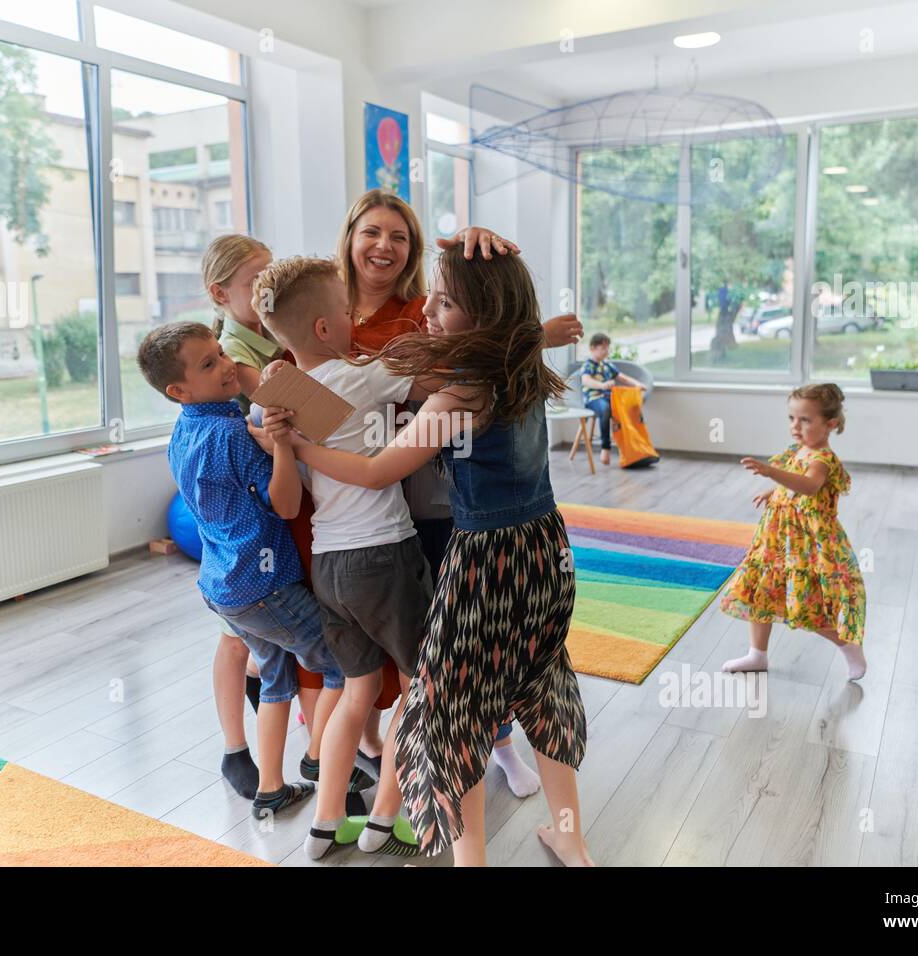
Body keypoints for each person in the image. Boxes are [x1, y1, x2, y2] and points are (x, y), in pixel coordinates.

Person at [269, 248, 593, 867]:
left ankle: (471, 858)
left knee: (454, 711)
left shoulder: (456, 400)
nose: (428, 311)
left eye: (444, 303)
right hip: (545, 552)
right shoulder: (525, 369)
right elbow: (513, 328)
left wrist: (301, 449)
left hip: (482, 563)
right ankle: (572, 840)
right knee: (546, 685)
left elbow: (373, 472)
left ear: (483, 317)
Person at [340, 188, 583, 774]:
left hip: (448, 512)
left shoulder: (434, 328)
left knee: (457, 659)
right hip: (365, 514)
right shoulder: (331, 317)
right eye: (371, 232)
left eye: (399, 236)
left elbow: (482, 338)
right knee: (389, 653)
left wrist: (485, 250)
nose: (384, 246)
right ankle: (369, 759)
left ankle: (473, 751)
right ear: (347, 240)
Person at [250, 256, 438, 861]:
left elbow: (283, 488)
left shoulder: (274, 405)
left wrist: (285, 437)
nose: (355, 315)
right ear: (328, 329)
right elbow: (434, 381)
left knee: (356, 689)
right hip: (384, 552)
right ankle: (386, 815)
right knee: (417, 685)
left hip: (328, 564)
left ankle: (326, 823)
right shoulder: (363, 377)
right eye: (345, 308)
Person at [135, 321, 345, 819]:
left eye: (220, 353)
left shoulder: (185, 432)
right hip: (265, 585)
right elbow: (286, 504)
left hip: (223, 585)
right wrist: (284, 449)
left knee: (276, 680)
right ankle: (320, 759)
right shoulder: (232, 435)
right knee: (341, 664)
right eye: (208, 364)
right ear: (178, 389)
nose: (227, 365)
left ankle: (271, 787)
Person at [719, 383, 867, 680]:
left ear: (830, 424)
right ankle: (756, 654)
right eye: (791, 418)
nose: (795, 426)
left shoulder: (822, 459)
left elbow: (809, 485)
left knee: (804, 604)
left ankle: (848, 645)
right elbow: (794, 482)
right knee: (760, 592)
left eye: (805, 420)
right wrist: (774, 491)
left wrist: (772, 472)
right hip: (777, 537)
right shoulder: (800, 450)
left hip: (807, 543)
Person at [580, 332, 646, 466]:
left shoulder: (607, 365)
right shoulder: (589, 365)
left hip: (609, 398)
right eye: (603, 348)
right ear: (593, 348)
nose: (606, 351)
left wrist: (638, 384)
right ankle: (605, 447)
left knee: (629, 409)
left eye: (607, 348)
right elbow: (586, 380)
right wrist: (602, 385)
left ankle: (634, 448)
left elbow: (623, 378)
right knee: (605, 409)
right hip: (594, 399)